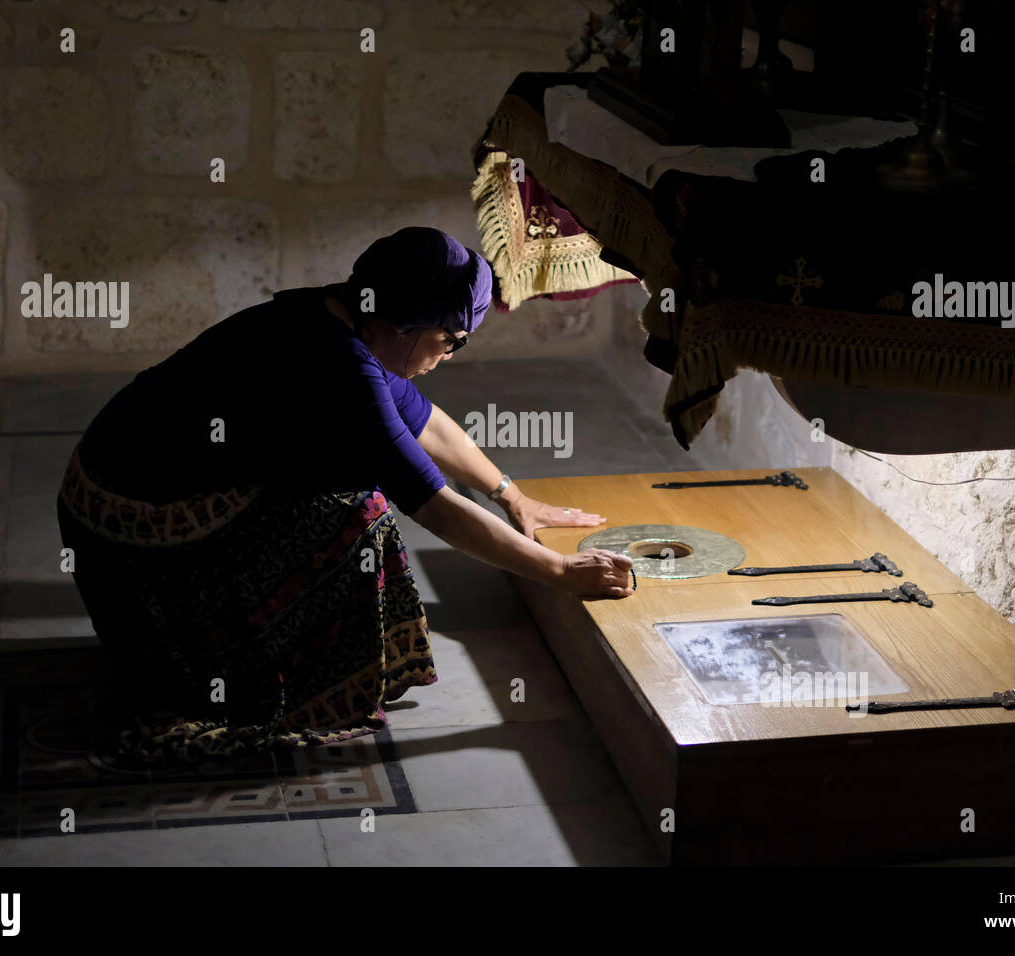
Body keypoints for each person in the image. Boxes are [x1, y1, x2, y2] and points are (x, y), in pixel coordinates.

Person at [56, 226, 634, 765]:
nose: (451, 356)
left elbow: (427, 424)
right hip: (124, 526)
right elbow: (432, 504)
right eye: (450, 340)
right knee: (361, 510)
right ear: (408, 323)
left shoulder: (347, 312)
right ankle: (226, 662)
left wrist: (512, 494)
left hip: (105, 481)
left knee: (344, 480)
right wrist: (560, 570)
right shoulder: (341, 366)